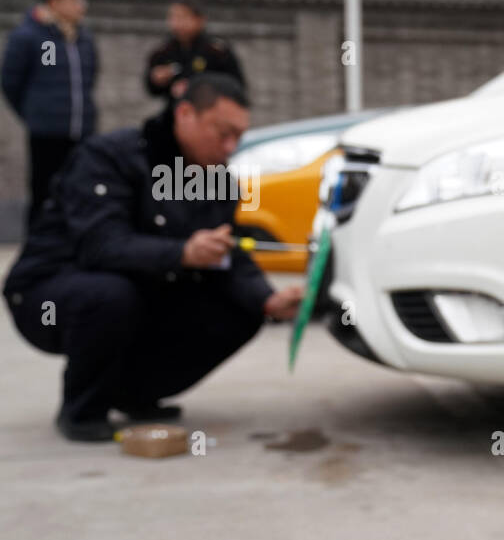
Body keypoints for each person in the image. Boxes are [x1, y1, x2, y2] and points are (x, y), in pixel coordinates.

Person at [3, 73, 303, 442]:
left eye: (238, 137)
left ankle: (135, 393)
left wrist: (268, 298)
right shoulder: (109, 157)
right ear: (186, 114)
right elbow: (100, 245)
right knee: (110, 295)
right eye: (221, 132)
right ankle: (82, 408)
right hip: (48, 292)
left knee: (241, 309)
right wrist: (182, 252)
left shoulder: (219, 182)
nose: (230, 146)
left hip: (140, 291)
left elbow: (229, 256)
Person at [1, 0, 98, 230]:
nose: (81, 5)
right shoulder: (43, 39)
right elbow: (12, 83)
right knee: (45, 193)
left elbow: (89, 79)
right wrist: (36, 113)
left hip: (81, 131)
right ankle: (38, 252)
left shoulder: (83, 39)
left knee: (79, 192)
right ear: (54, 1)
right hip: (48, 133)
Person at [144, 0, 244, 101]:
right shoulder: (164, 51)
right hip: (174, 110)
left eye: (183, 17)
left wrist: (195, 87)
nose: (177, 23)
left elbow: (236, 85)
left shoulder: (216, 51)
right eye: (173, 17)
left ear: (200, 20)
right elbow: (152, 88)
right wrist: (156, 80)